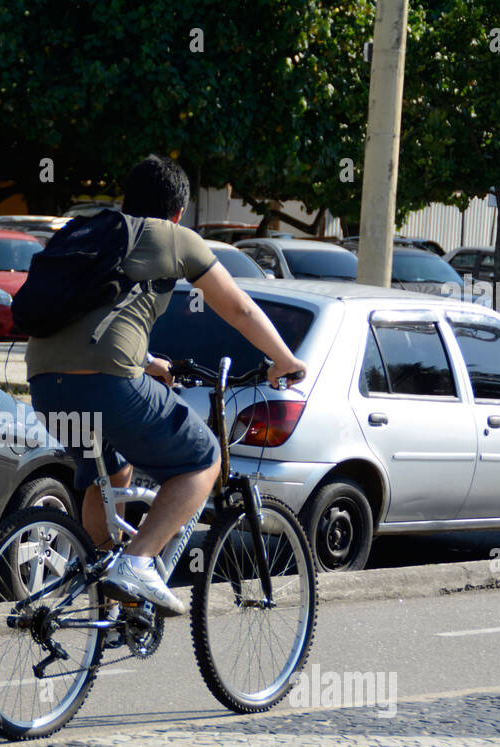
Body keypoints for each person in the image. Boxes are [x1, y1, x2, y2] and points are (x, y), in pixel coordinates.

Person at [24, 155, 306, 617]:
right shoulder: (175, 239)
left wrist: (148, 360)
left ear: (124, 198)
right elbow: (238, 310)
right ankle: (136, 563)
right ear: (178, 213)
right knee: (203, 457)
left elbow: (89, 319)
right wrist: (284, 359)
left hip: (46, 388)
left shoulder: (92, 232)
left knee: (110, 474)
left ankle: (104, 586)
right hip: (108, 384)